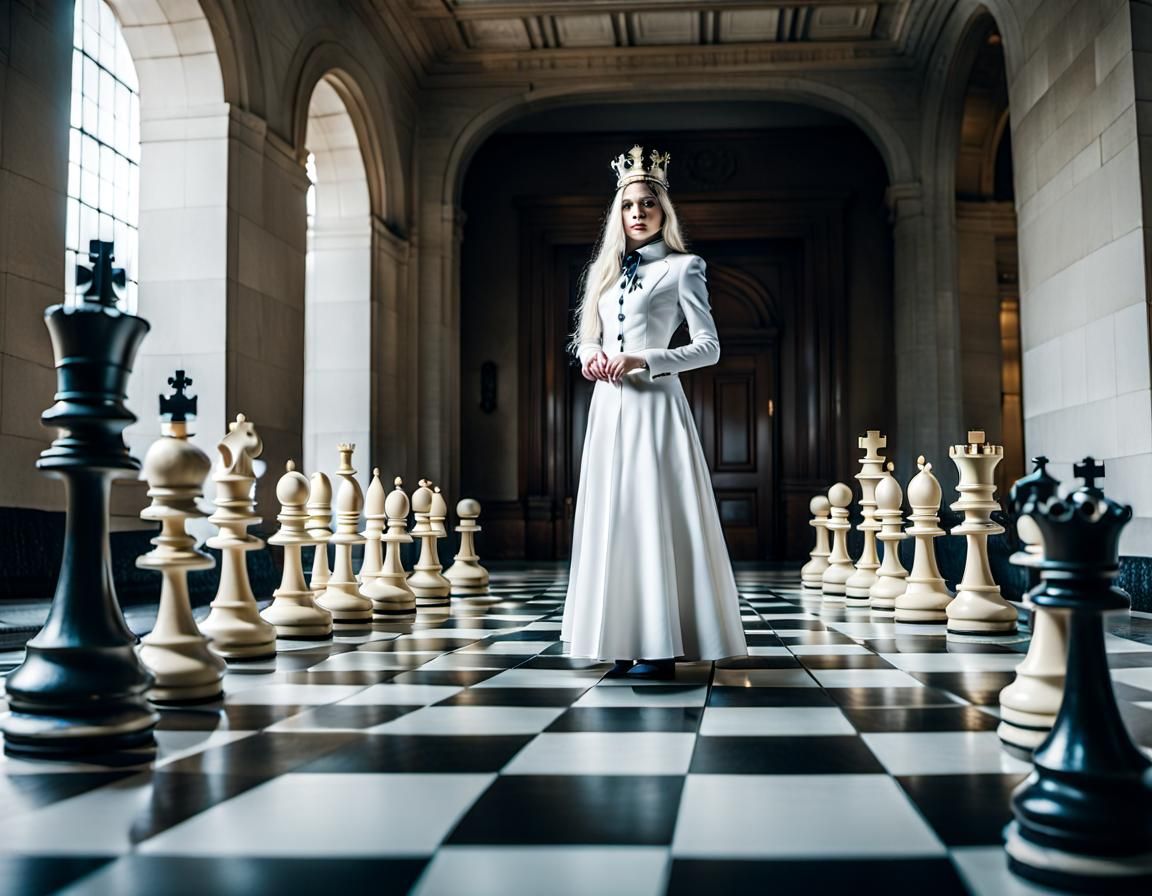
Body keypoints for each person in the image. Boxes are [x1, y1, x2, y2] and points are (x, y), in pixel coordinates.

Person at [560, 145, 747, 678]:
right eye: (628, 205)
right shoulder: (605, 273)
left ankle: (660, 648)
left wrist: (644, 358)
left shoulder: (685, 268)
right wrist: (590, 355)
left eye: (647, 203)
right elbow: (590, 337)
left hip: (656, 410)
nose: (637, 212)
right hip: (607, 410)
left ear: (664, 210)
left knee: (651, 515)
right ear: (617, 214)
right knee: (614, 517)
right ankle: (620, 641)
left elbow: (709, 348)